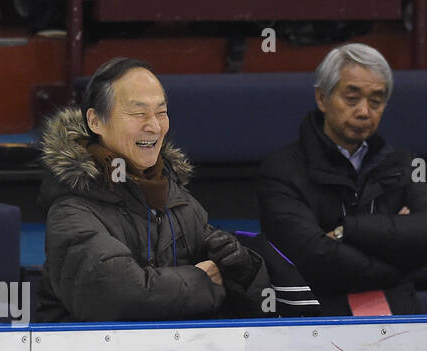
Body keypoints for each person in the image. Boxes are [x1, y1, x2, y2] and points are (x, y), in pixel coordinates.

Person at [36, 57, 269, 322]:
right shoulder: (70, 211)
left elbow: (256, 307)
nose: (154, 126)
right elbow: (118, 299)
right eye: (138, 113)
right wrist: (204, 281)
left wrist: (243, 271)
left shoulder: (179, 201)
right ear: (96, 121)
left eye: (161, 112)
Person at [257, 43, 427, 316]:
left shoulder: (402, 165)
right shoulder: (281, 171)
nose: (364, 112)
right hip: (316, 322)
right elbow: (311, 257)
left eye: (376, 101)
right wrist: (396, 266)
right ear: (322, 98)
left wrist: (347, 232)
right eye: (352, 98)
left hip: (400, 317)